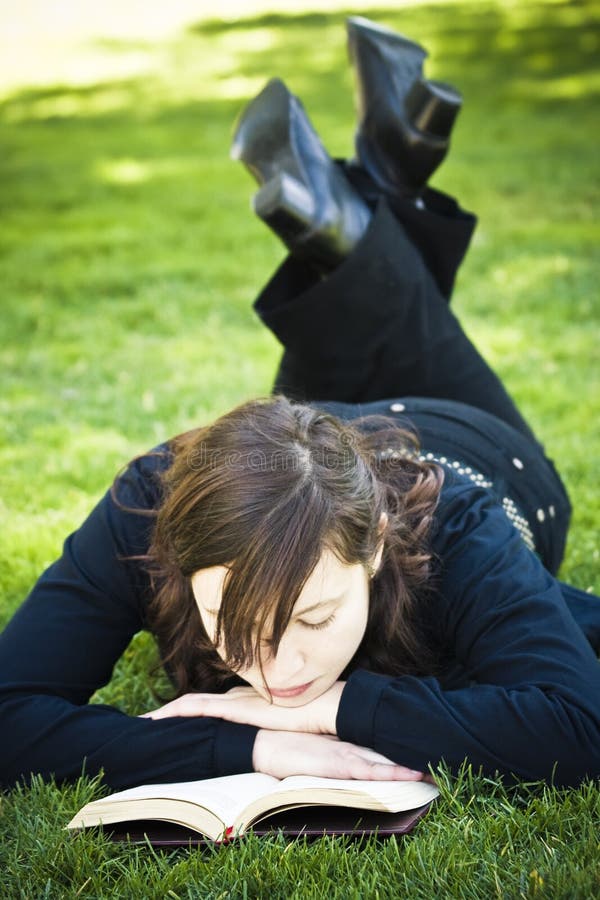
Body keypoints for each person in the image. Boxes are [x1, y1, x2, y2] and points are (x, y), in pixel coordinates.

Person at [1, 17, 598, 794]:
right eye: (235, 627)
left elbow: (577, 726)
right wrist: (249, 750)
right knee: (312, 419)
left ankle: (373, 192)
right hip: (324, 430)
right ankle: (380, 184)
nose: (277, 673)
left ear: (376, 546)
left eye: (313, 618)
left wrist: (340, 711)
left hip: (468, 448)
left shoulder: (463, 532)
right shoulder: (146, 506)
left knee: (340, 392)